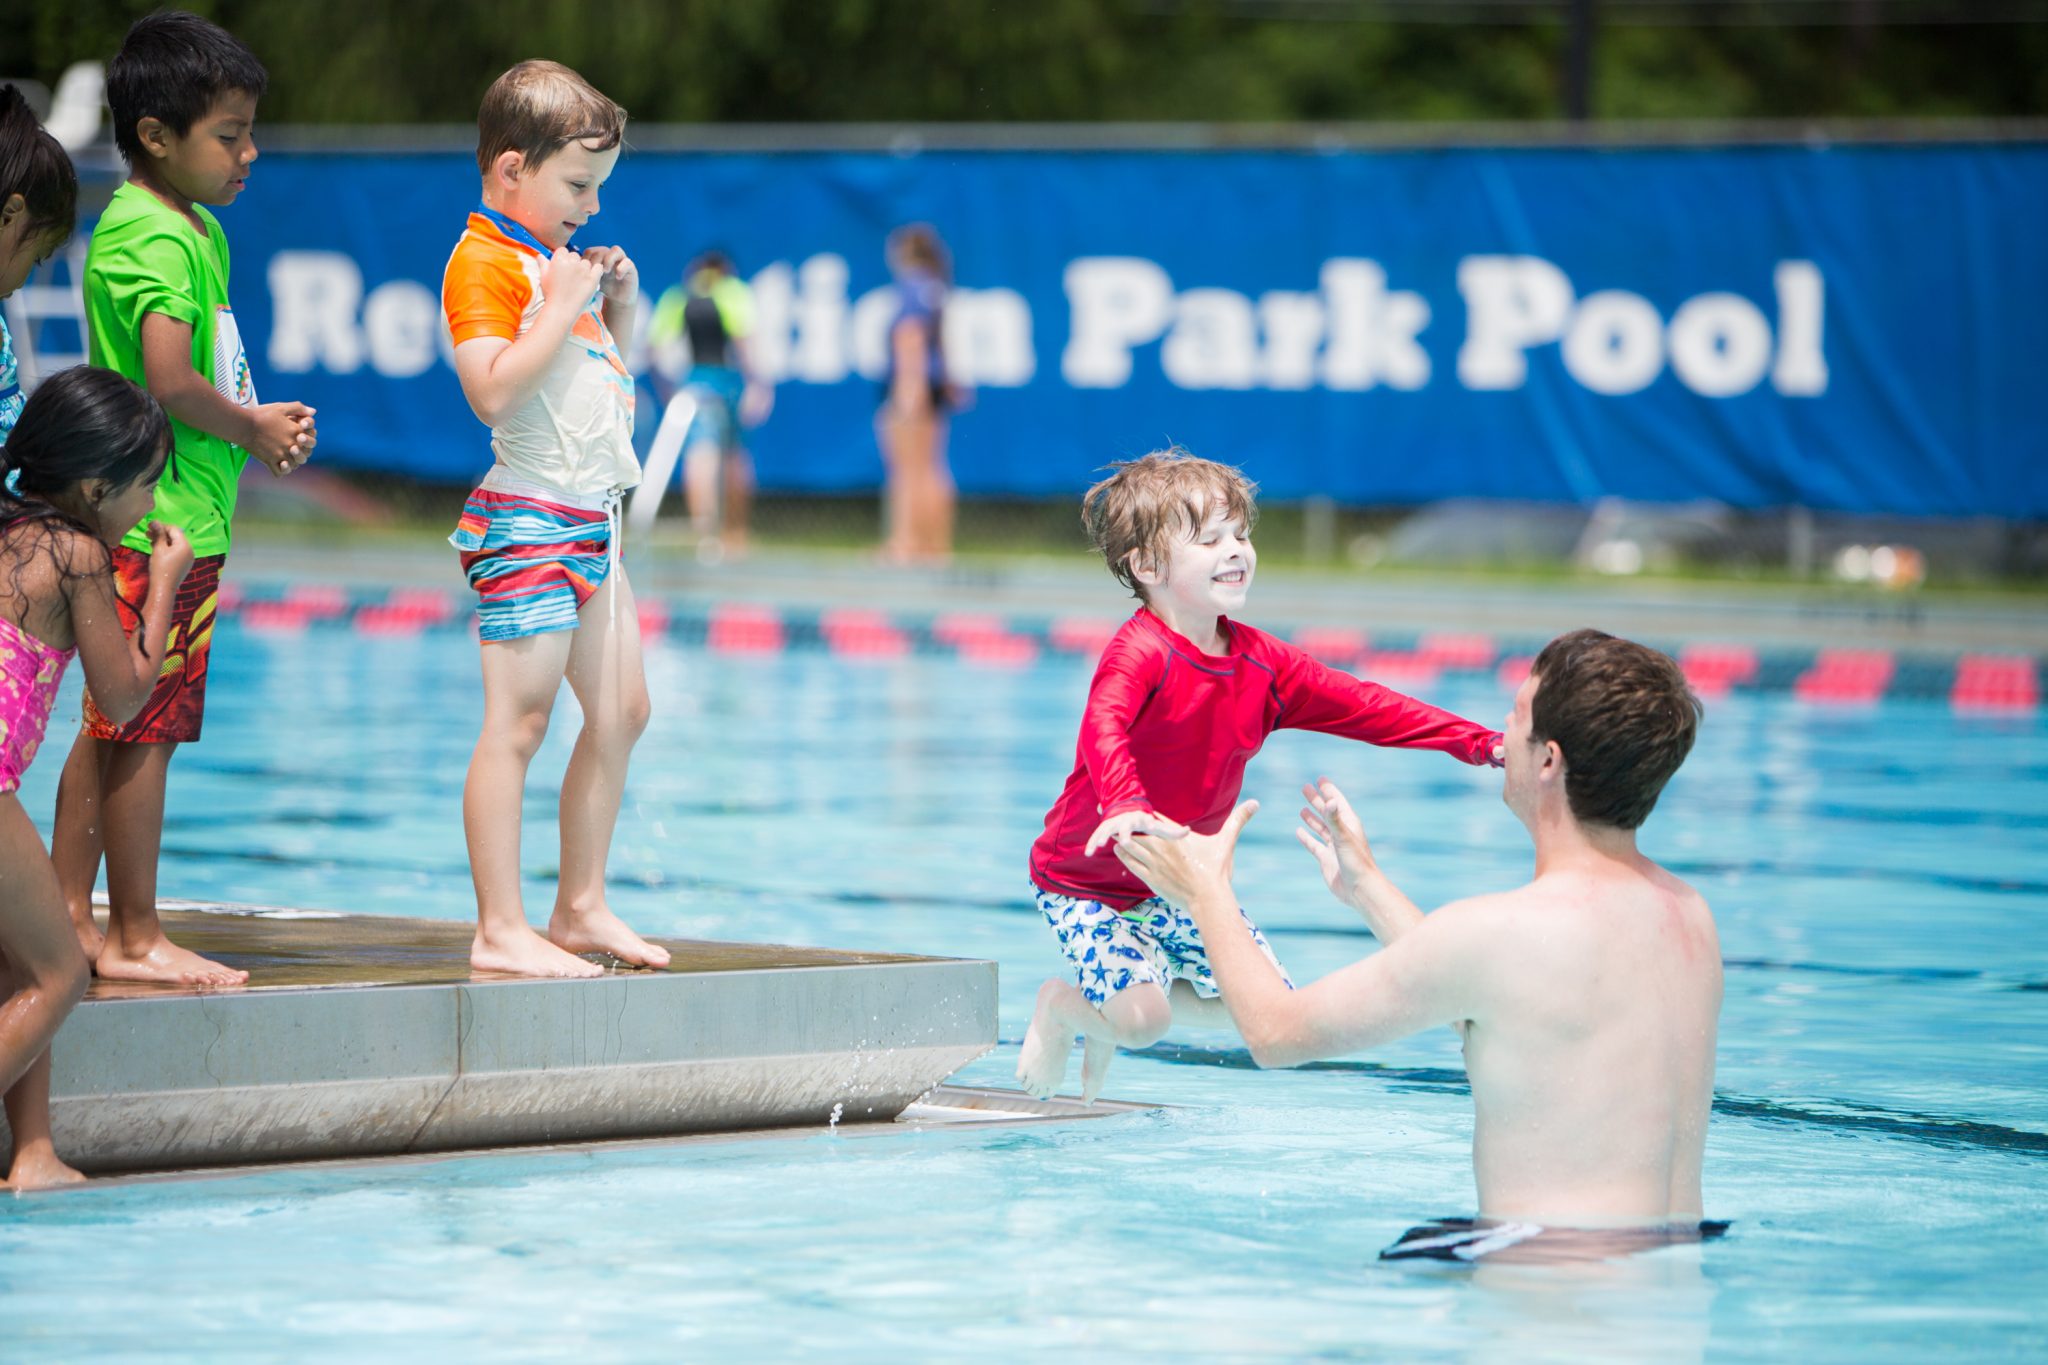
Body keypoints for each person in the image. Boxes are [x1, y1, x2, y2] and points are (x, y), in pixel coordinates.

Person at [1111, 629, 1722, 1259]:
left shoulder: (1500, 934)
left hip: (1551, 1295)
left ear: (1548, 762)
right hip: (1673, 1272)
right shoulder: (1687, 917)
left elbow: (1274, 1034)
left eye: (1513, 719)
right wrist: (1367, 887)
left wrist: (1206, 891)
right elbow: (1513, 1020)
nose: (1499, 737)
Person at [1018, 449, 1504, 1103]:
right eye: (1210, 539)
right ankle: (1063, 1007)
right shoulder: (1138, 654)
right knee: (1143, 1023)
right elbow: (1103, 724)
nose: (1236, 550)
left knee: (1262, 1008)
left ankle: (1118, 994)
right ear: (1147, 566)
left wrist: (1478, 743)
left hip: (1184, 881)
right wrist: (1126, 799)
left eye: (1241, 534)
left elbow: (1365, 704)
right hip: (1086, 880)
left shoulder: (1263, 666)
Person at [50, 11, 316, 987]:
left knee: (109, 722)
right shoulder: (155, 241)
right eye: (228, 135)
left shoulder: (181, 226)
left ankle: (70, 914)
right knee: (147, 730)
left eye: (250, 131)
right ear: (157, 137)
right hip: (162, 523)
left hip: (159, 509)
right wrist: (249, 427)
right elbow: (166, 376)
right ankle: (133, 935)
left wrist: (246, 415)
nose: (249, 154)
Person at [443, 60, 667, 979]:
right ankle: (501, 925)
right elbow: (492, 391)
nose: (592, 207)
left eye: (599, 187)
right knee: (520, 722)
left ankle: (579, 906)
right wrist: (567, 303)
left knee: (622, 710)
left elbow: (603, 389)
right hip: (529, 518)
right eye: (579, 185)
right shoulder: (483, 262)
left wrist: (611, 305)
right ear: (510, 171)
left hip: (590, 523)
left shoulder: (550, 264)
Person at [2, 367, 195, 1189]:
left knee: (19, 962)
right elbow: (122, 693)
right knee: (61, 973)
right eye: (145, 486)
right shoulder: (77, 552)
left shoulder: (9, 526)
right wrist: (164, 590)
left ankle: (34, 1152)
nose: (150, 507)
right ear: (93, 486)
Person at [646, 250, 772, 559]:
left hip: (695, 382)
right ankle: (735, 532)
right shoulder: (734, 292)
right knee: (734, 456)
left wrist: (668, 389)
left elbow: (653, 349)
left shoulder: (678, 296)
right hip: (729, 382)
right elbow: (745, 342)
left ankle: (705, 535)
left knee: (700, 455)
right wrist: (759, 385)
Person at [875, 223, 960, 565]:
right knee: (932, 468)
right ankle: (935, 545)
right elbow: (941, 342)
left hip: (913, 384)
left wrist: (909, 390)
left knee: (906, 469)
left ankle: (905, 542)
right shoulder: (935, 286)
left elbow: (910, 339)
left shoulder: (910, 288)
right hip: (932, 383)